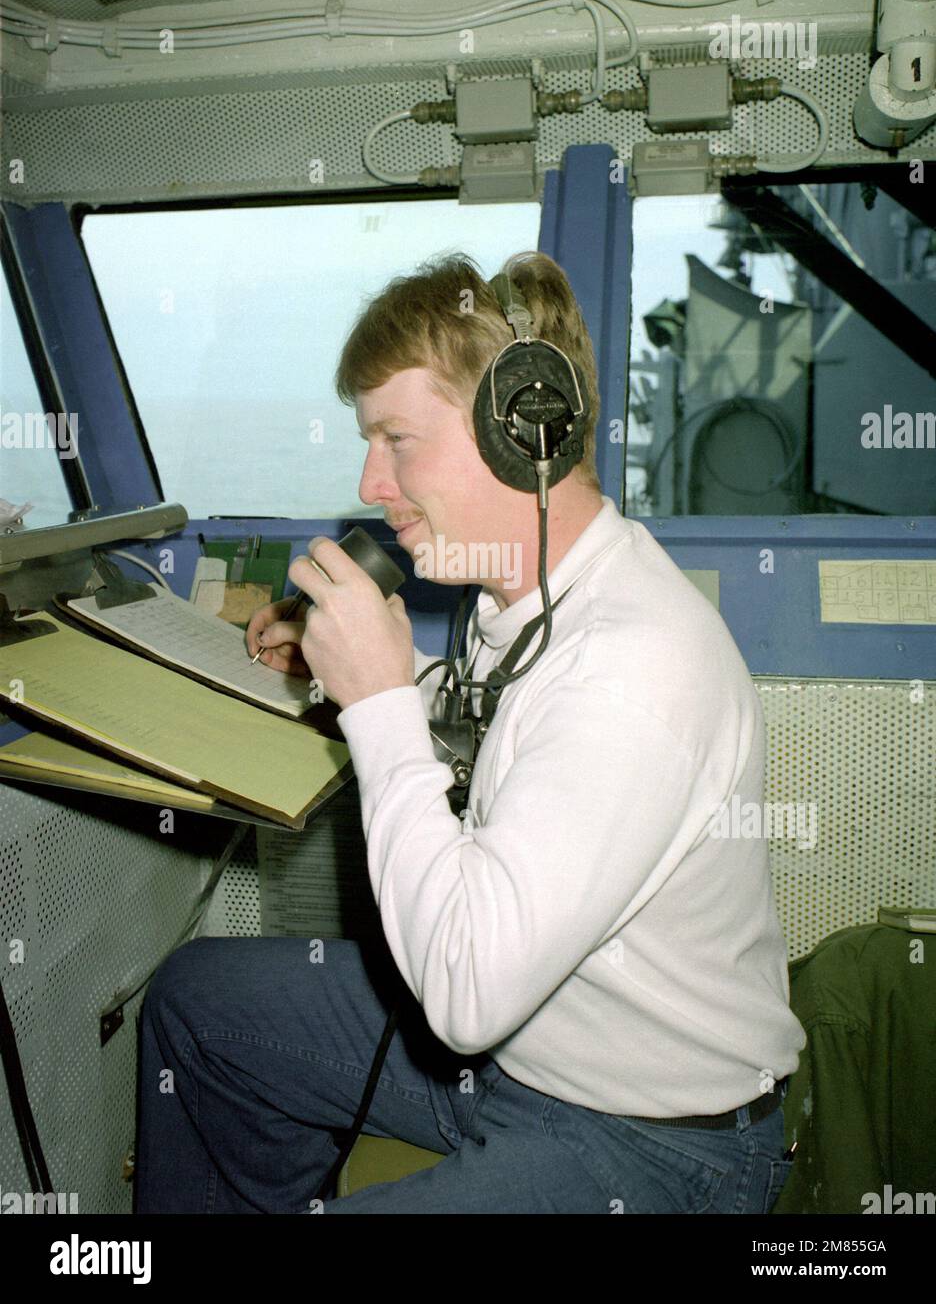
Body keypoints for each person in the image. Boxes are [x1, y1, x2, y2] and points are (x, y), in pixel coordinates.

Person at [134, 250, 806, 1214]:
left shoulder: (636, 666)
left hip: (651, 1144)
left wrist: (376, 706)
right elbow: (503, 718)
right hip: (518, 1057)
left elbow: (463, 996)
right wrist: (376, 670)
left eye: (397, 439)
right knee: (199, 1004)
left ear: (517, 433)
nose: (372, 480)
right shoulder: (528, 596)